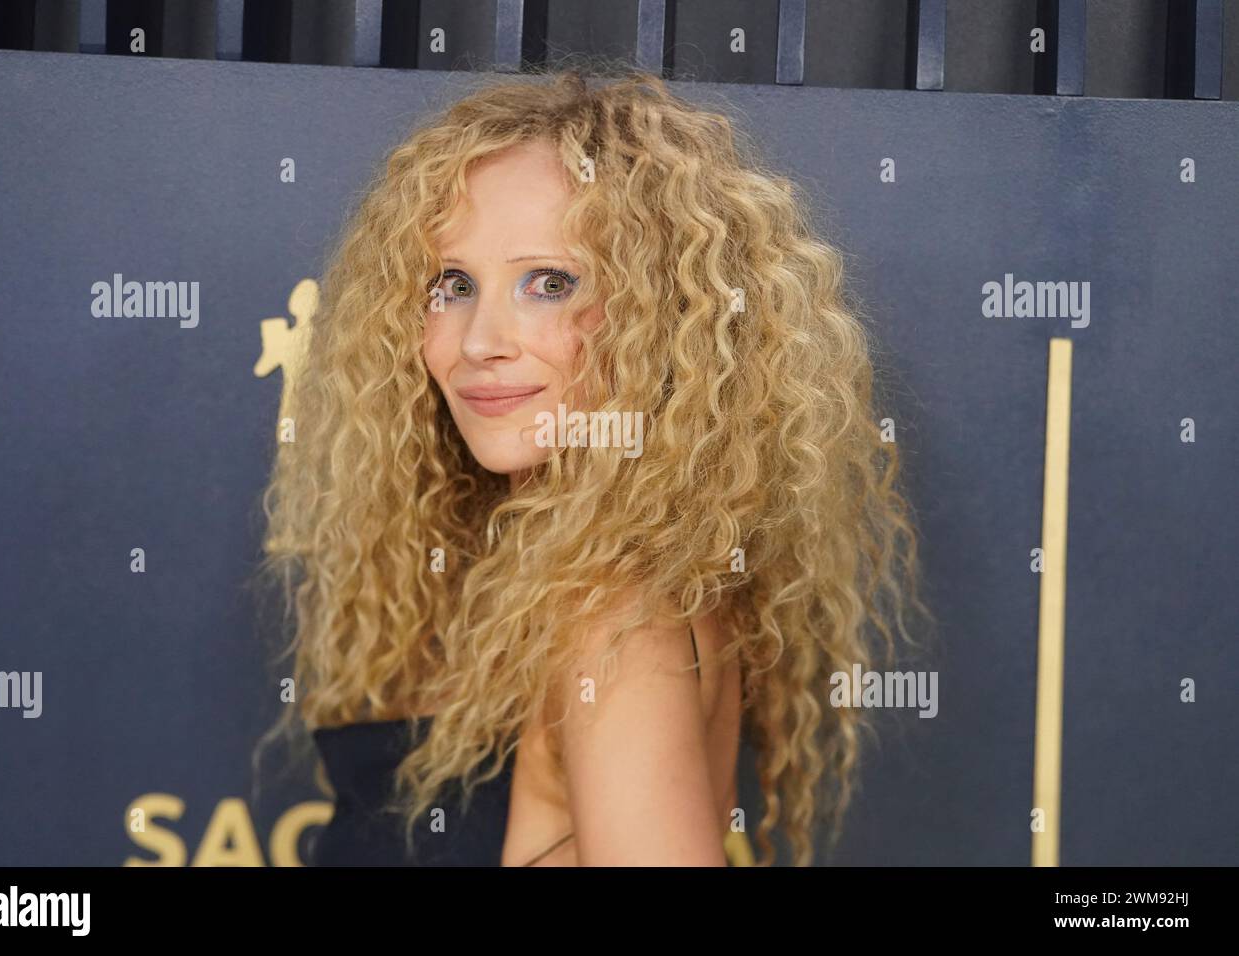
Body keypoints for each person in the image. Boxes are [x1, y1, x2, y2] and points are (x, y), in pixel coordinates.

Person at [258, 69, 921, 866]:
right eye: (452, 284)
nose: (480, 341)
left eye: (549, 284)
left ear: (660, 315)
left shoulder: (615, 625)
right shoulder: (517, 571)